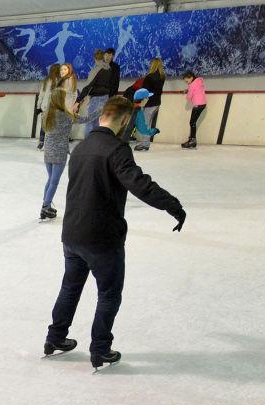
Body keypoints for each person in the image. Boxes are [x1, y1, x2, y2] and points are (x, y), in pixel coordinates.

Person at [44, 95, 185, 370]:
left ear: (100, 117)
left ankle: (55, 337)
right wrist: (173, 205)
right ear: (123, 120)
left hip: (72, 234)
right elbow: (140, 185)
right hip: (102, 239)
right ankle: (100, 349)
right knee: (109, 294)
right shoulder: (117, 149)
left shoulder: (82, 147)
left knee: (70, 288)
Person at [39, 89, 76, 222]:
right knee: (54, 181)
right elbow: (84, 119)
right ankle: (45, 207)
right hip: (59, 153)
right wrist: (99, 111)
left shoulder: (46, 114)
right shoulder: (66, 116)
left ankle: (47, 205)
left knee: (50, 180)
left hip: (48, 151)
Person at [77, 48, 120, 129]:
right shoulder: (105, 67)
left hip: (101, 97)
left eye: (110, 55)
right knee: (99, 121)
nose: (107, 57)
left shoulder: (105, 68)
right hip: (103, 96)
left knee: (91, 121)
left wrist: (78, 100)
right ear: (103, 56)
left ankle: (91, 140)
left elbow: (115, 84)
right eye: (106, 54)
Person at [132, 58, 166, 150]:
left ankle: (145, 144)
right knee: (149, 122)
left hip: (149, 103)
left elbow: (144, 92)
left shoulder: (149, 77)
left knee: (146, 123)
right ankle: (145, 143)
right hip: (157, 102)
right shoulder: (162, 76)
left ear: (153, 65)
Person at [182, 71, 208, 149]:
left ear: (191, 78)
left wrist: (187, 93)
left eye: (187, 81)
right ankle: (191, 139)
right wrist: (188, 89)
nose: (187, 83)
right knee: (193, 122)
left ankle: (192, 141)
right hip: (203, 104)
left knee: (192, 122)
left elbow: (189, 97)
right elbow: (196, 90)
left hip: (197, 105)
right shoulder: (199, 82)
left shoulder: (192, 85)